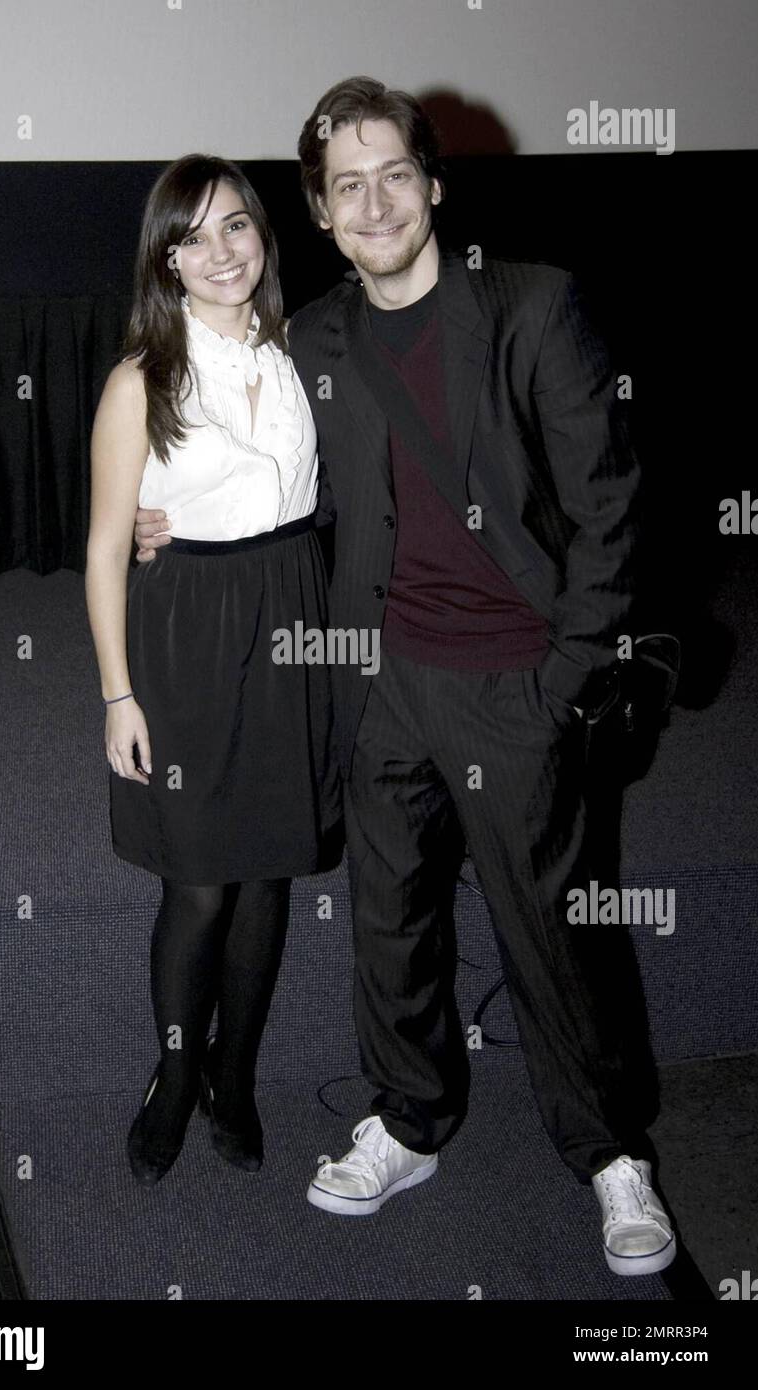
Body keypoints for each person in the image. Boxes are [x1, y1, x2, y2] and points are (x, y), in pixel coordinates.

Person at [133, 79, 676, 1277]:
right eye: (344, 186)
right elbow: (235, 444)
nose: (372, 201)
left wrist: (563, 681)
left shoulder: (533, 308)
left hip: (514, 682)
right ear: (319, 216)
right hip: (375, 681)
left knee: (550, 930)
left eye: (393, 175)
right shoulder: (312, 338)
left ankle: (606, 1152)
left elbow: (609, 513)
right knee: (388, 921)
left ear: (433, 186)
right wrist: (152, 521)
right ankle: (410, 1115)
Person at [85, 155, 343, 1187]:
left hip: (292, 609)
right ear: (166, 259)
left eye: (235, 226)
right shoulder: (139, 379)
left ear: (264, 235)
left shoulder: (306, 346)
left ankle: (235, 1076)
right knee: (198, 883)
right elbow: (106, 546)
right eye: (192, 238)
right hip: (187, 628)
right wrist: (118, 693)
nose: (220, 252)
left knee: (266, 871)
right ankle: (176, 1075)